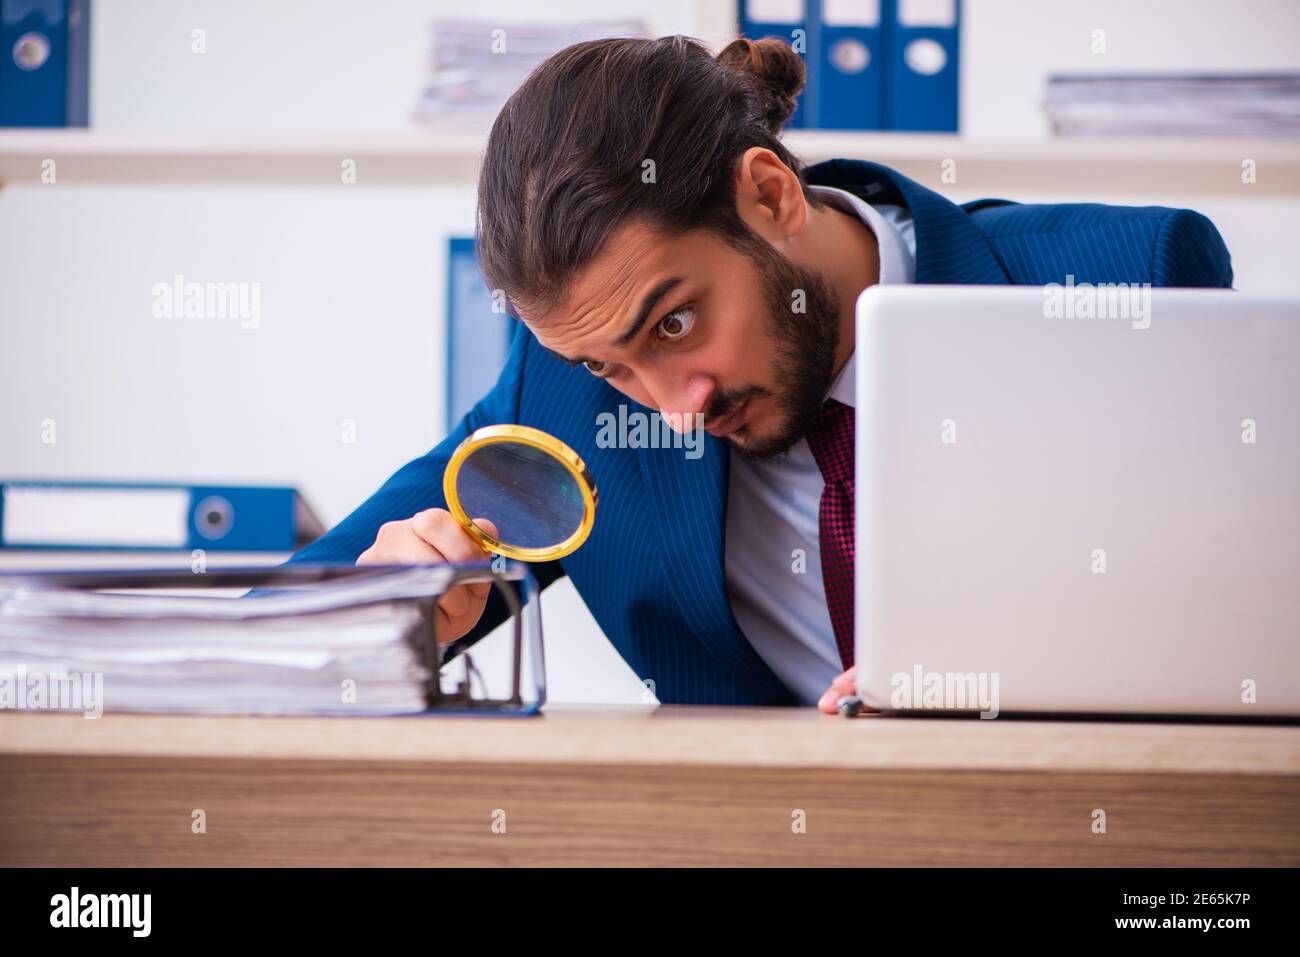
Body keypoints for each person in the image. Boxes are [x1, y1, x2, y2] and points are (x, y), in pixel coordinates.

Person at [288, 35, 1234, 712]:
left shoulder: (1127, 280)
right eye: (606, 364)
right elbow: (270, 640)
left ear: (771, 195)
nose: (674, 409)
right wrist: (401, 620)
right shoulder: (563, 392)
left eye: (676, 322)